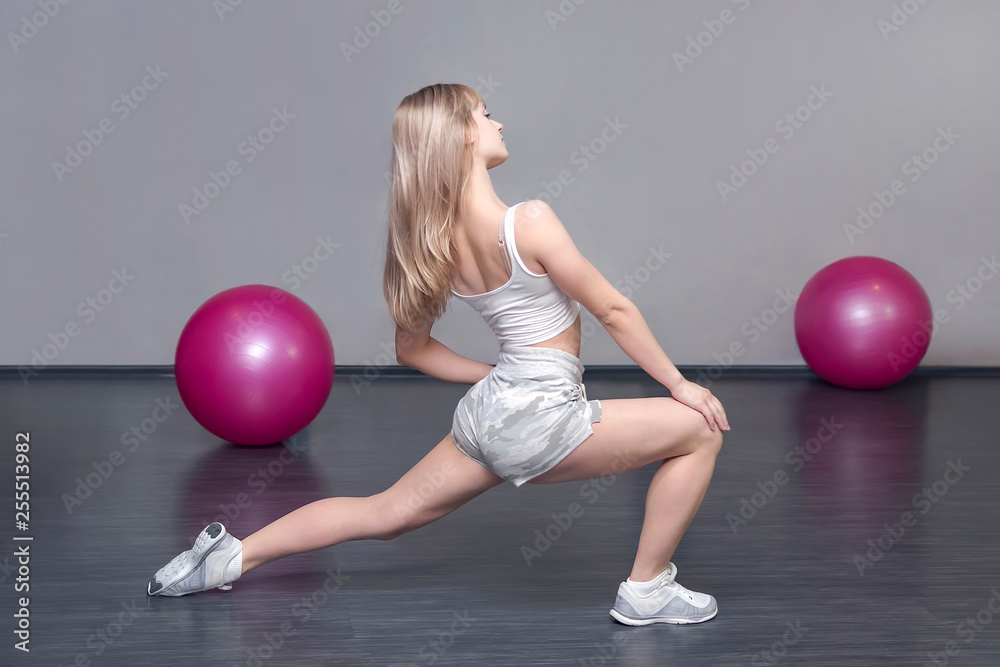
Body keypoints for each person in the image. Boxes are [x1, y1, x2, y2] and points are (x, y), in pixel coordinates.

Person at [147, 83, 730, 626]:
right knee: (701, 430)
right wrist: (681, 384)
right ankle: (647, 589)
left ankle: (226, 558)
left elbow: (412, 350)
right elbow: (614, 310)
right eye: (485, 114)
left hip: (491, 414)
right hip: (539, 418)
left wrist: (500, 379)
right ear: (461, 136)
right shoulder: (527, 221)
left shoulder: (432, 243)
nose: (499, 122)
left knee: (384, 513)